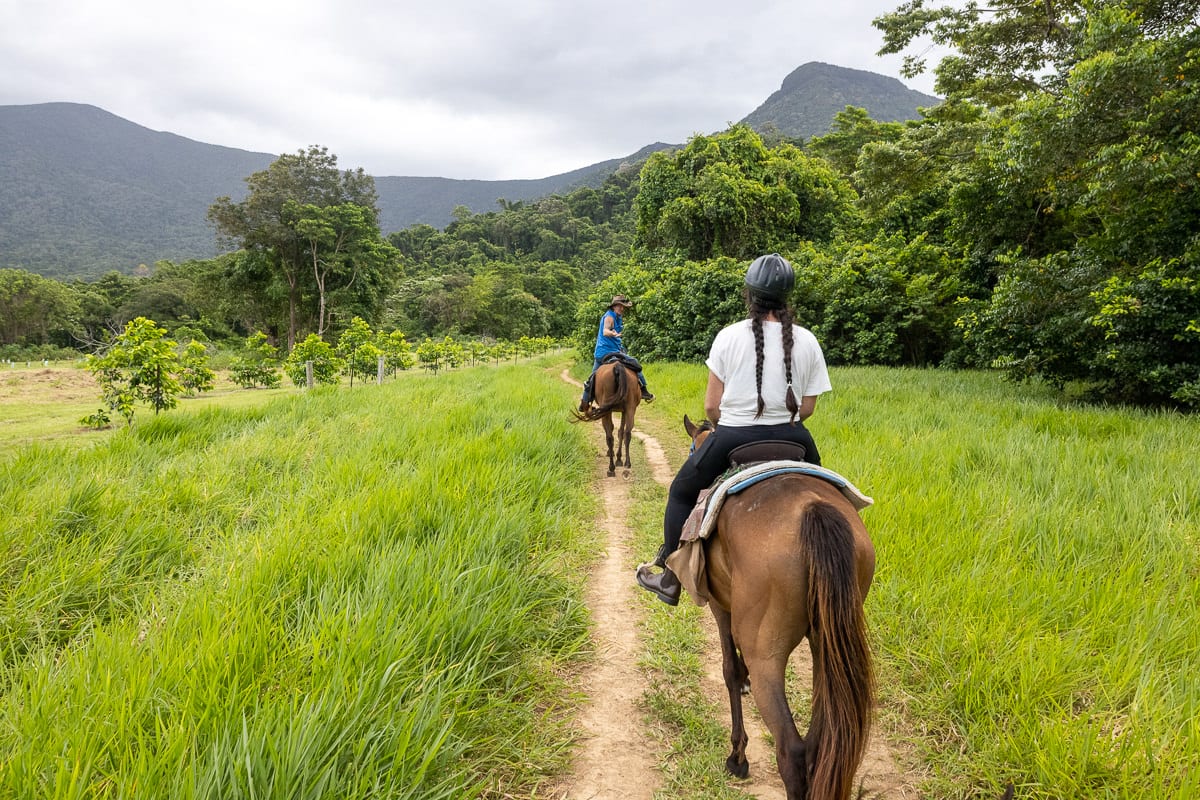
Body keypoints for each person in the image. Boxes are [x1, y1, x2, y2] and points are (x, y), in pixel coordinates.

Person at [635, 253, 831, 605]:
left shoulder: (728, 336)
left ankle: (669, 576)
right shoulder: (808, 341)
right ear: (788, 297)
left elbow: (712, 406)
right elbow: (808, 408)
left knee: (680, 492)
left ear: (749, 294)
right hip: (794, 436)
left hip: (733, 437)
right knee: (831, 493)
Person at [579, 294, 653, 411]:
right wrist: (612, 333)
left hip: (603, 353)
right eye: (620, 306)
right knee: (634, 363)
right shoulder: (610, 317)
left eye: (623, 307)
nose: (622, 309)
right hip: (608, 352)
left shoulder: (618, 317)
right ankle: (644, 390)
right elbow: (605, 331)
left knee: (592, 378)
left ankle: (585, 403)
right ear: (614, 306)